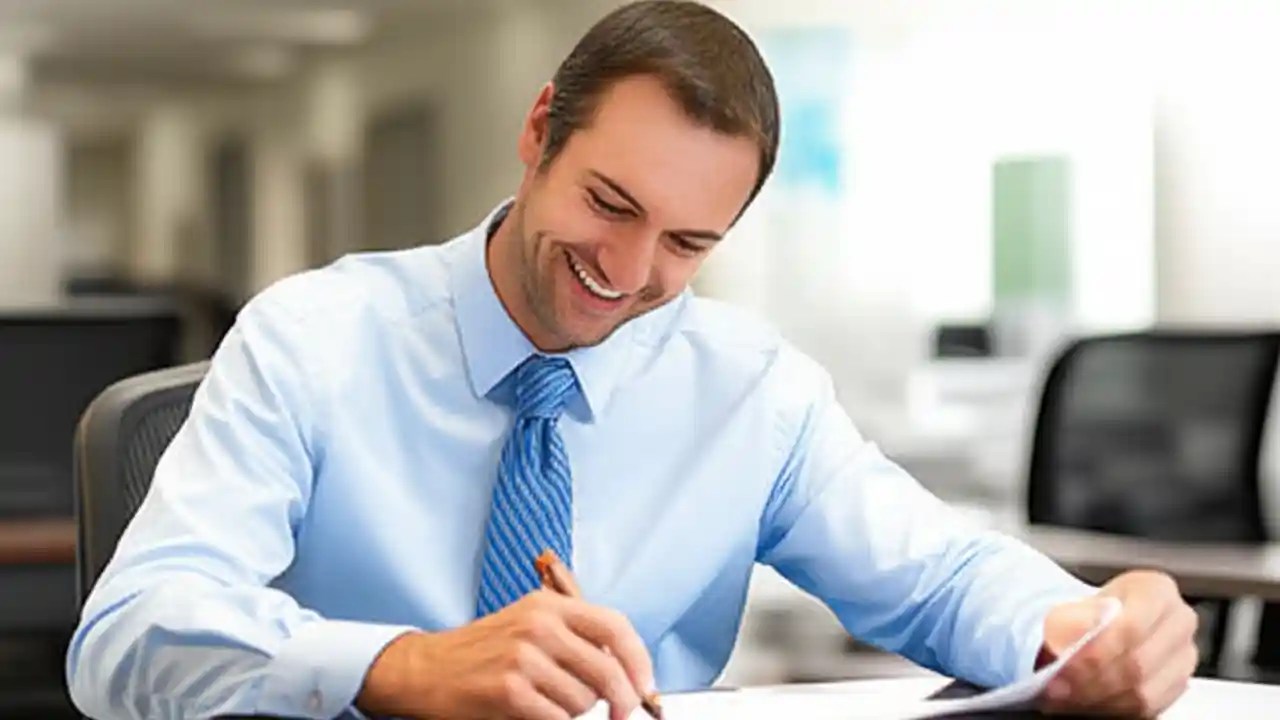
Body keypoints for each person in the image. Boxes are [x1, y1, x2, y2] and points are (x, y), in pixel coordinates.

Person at [66, 2, 1197, 719]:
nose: (627, 270)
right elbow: (128, 638)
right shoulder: (313, 338)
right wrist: (400, 667)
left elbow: (940, 577)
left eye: (687, 242)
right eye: (609, 203)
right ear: (540, 129)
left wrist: (1084, 628)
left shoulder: (751, 391)